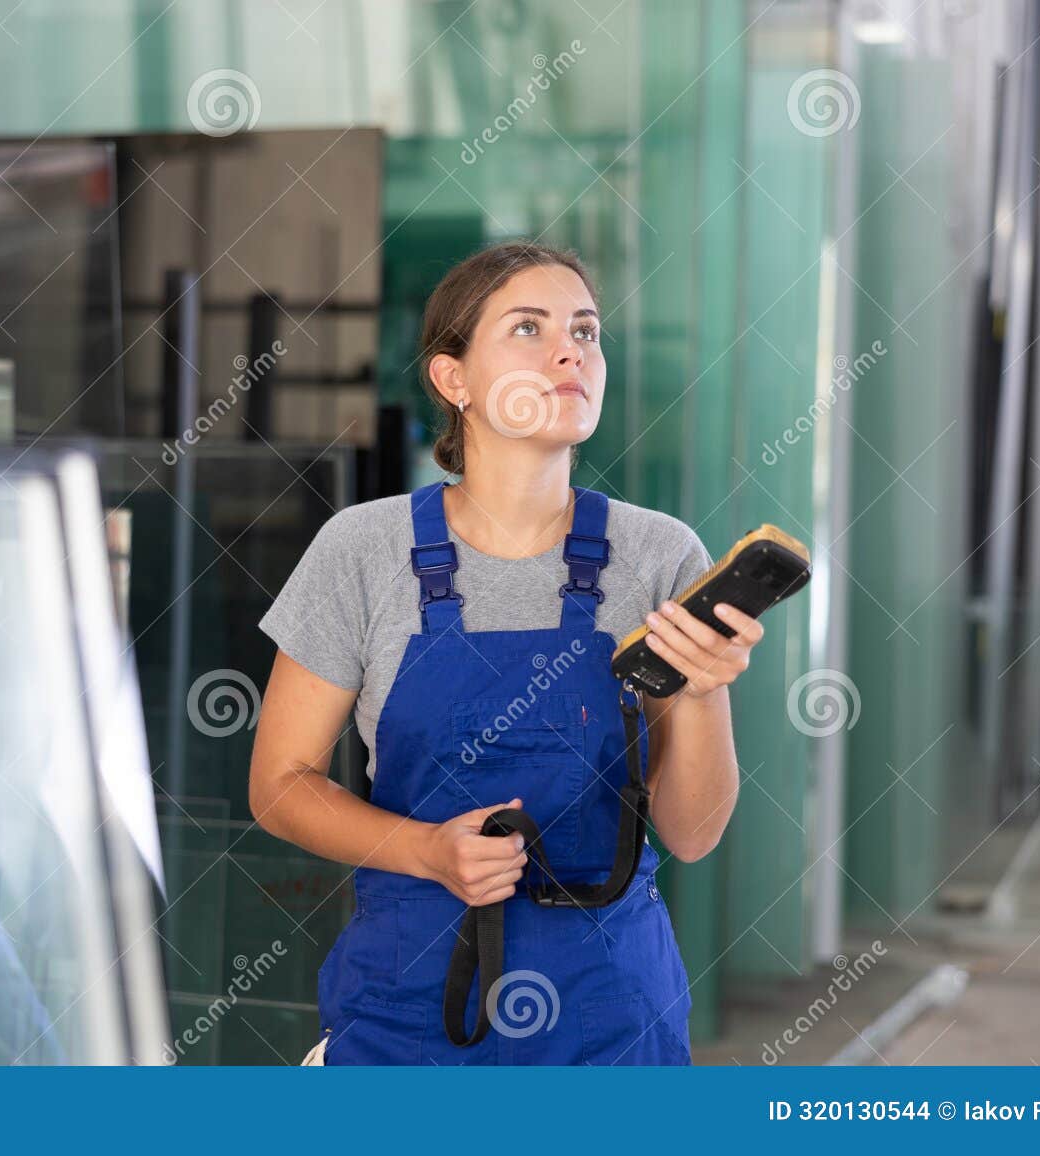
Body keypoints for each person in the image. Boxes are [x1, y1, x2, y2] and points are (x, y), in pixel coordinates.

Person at [250, 241, 761, 1065]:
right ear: (453, 380)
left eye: (586, 332)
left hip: (611, 1018)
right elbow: (278, 786)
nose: (571, 351)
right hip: (409, 1013)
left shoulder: (659, 555)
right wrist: (427, 851)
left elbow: (692, 834)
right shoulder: (363, 550)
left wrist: (701, 692)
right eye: (529, 328)